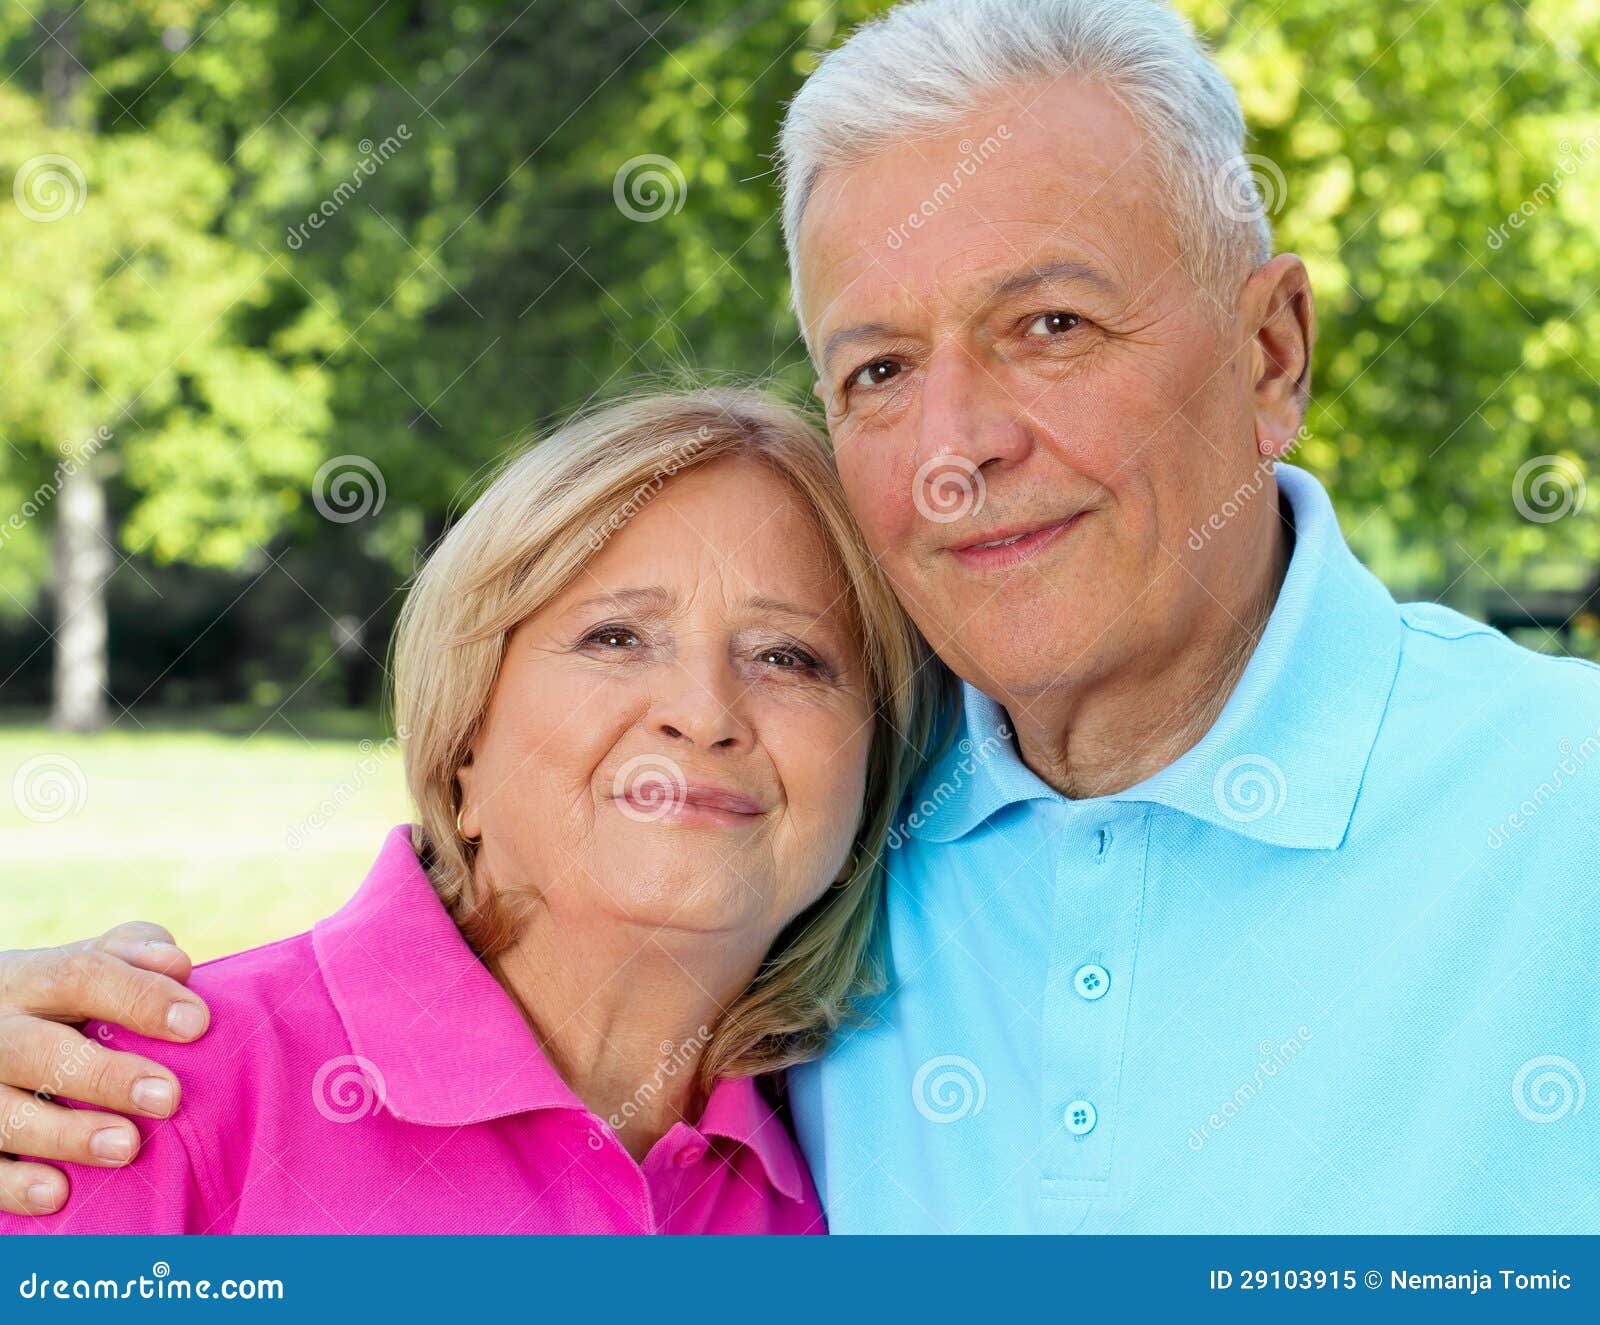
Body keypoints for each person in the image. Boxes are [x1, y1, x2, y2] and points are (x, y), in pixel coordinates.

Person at [5, 0, 1598, 1233]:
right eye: (881, 370)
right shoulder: (824, 841)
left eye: (1050, 324)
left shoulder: (1561, 813)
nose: (960, 456)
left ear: (1270, 353)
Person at [0, 389, 938, 1233]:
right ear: (463, 749)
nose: (703, 711)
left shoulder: (858, 1163)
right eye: (615, 636)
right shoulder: (146, 1095)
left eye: (789, 657)